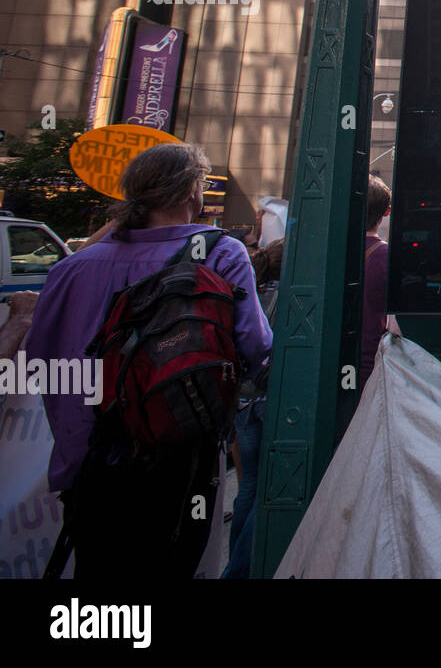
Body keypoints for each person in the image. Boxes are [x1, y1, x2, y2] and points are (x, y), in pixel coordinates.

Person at [24, 142, 273, 578]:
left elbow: (41, 362)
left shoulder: (71, 269)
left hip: (86, 464)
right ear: (190, 193)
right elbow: (254, 348)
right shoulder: (219, 253)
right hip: (180, 460)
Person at [222, 237, 282, 578]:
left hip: (242, 401)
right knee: (269, 491)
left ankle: (236, 561)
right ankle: (240, 569)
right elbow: (261, 345)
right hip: (271, 395)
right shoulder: (290, 295)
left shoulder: (250, 291)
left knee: (248, 486)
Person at [359, 175, 392, 390]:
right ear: (386, 211)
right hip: (369, 366)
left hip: (324, 362)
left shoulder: (331, 250)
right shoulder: (387, 256)